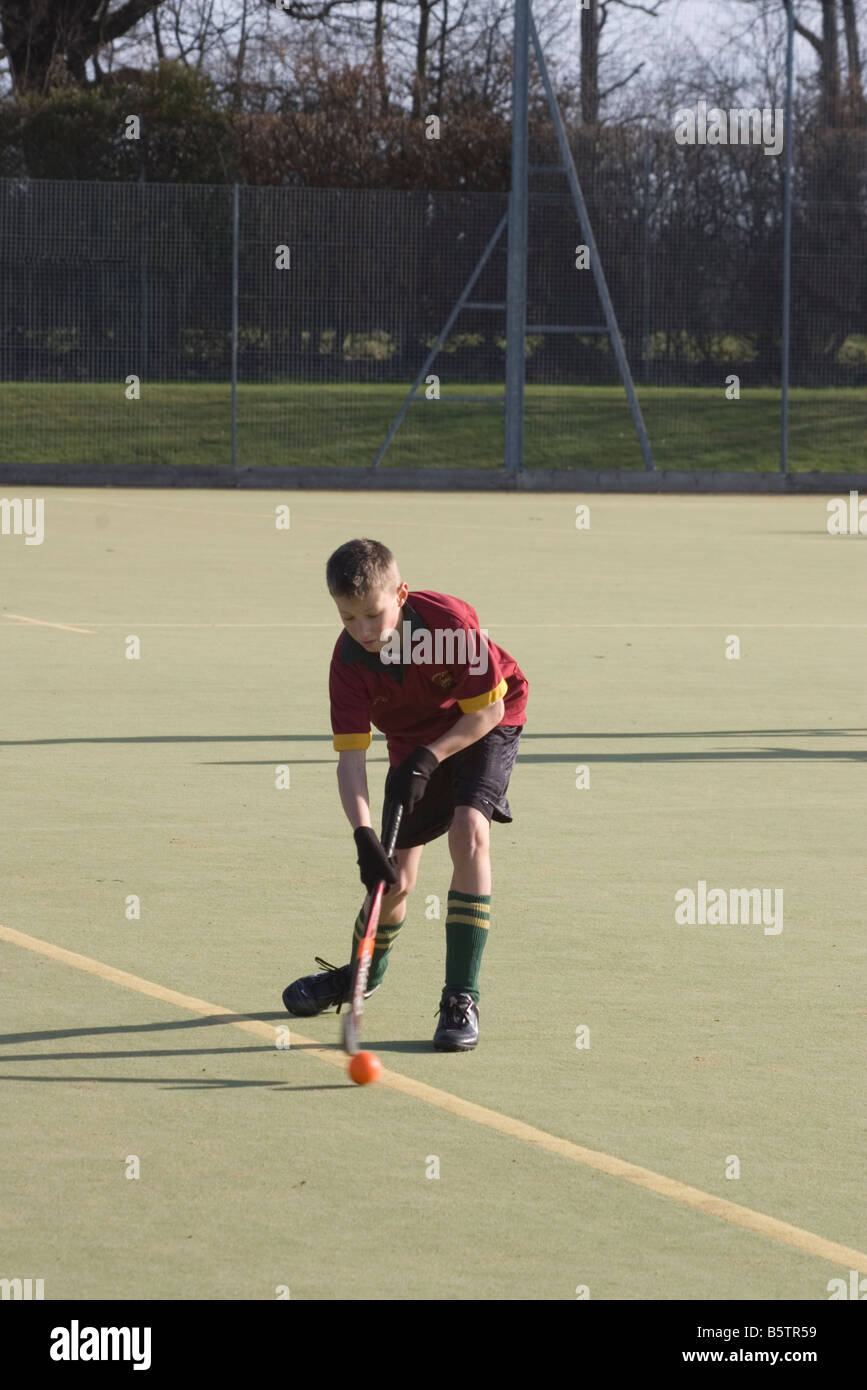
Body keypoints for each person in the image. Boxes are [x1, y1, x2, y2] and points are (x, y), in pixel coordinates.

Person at [282, 537, 528, 1050]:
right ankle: (362, 977)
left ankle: (461, 997)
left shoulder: (447, 625)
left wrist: (431, 758)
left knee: (468, 831)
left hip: (482, 721)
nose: (363, 632)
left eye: (373, 615)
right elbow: (351, 760)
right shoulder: (348, 661)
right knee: (394, 879)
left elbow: (487, 712)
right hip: (412, 741)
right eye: (348, 618)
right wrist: (363, 835)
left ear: (401, 594)